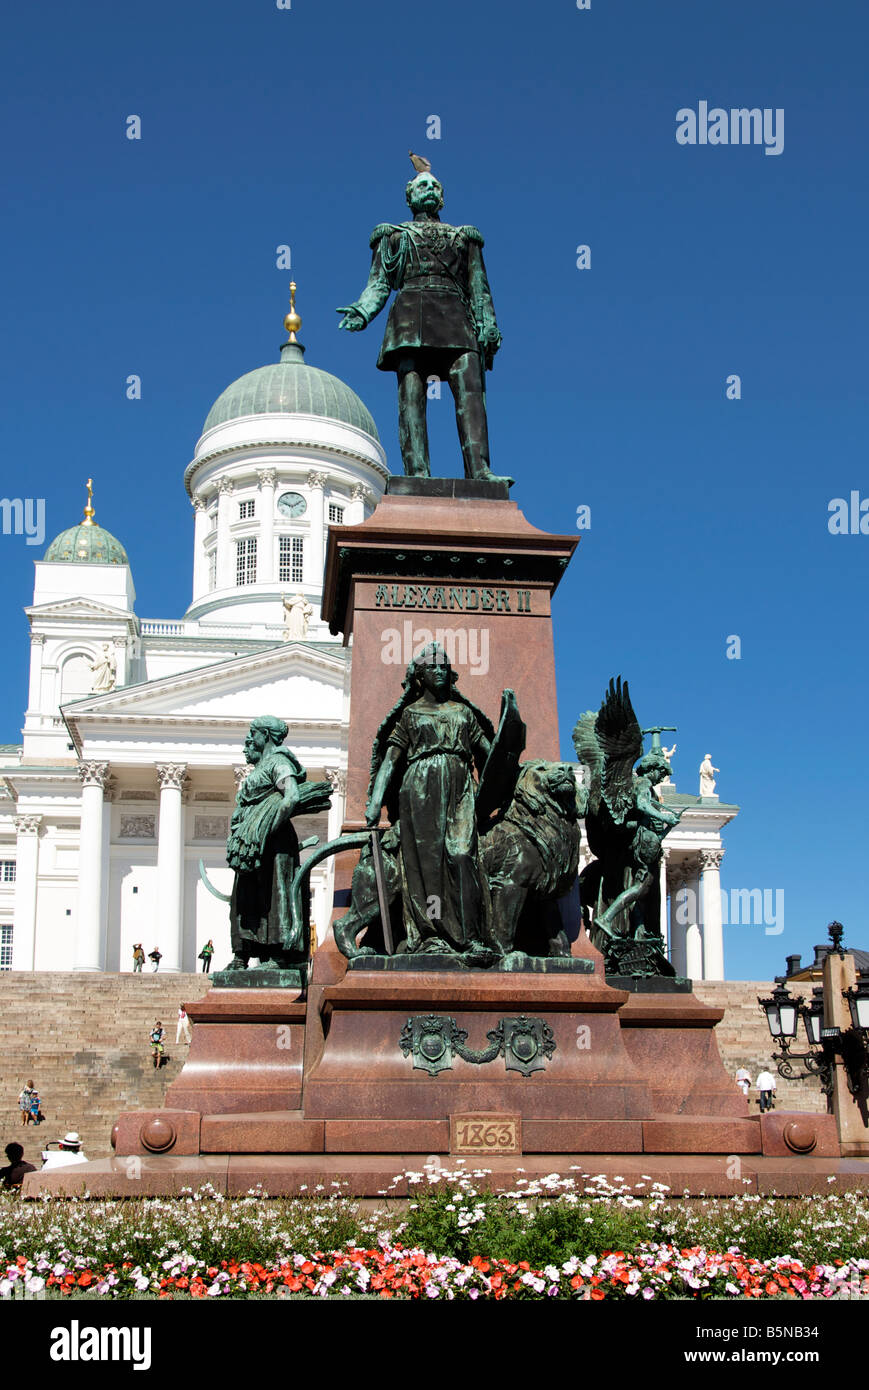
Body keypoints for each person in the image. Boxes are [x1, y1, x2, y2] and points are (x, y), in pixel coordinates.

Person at [338, 162, 505, 483]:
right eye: (422, 186)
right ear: (410, 198)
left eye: (435, 186)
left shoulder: (464, 238)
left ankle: (480, 471)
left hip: (457, 317)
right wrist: (363, 311)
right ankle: (417, 473)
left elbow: (479, 287)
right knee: (411, 395)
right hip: (410, 316)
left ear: (441, 198)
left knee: (470, 392)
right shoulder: (394, 237)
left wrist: (487, 324)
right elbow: (379, 283)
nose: (429, 189)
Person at [364, 643, 494, 957]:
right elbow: (390, 760)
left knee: (461, 855)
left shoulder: (462, 712)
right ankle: (431, 933)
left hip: (460, 786)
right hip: (419, 789)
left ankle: (469, 935)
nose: (439, 672)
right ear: (420, 675)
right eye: (432, 667)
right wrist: (375, 801)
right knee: (428, 867)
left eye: (444, 667)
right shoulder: (411, 714)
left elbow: (489, 753)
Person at [224, 717, 331, 972]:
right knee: (245, 897)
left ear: (267, 735)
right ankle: (243, 954)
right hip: (252, 845)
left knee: (273, 895)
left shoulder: (279, 762)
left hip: (273, 843)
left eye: (254, 732)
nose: (250, 738)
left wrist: (265, 827)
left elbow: (291, 796)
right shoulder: (260, 766)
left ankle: (277, 955)